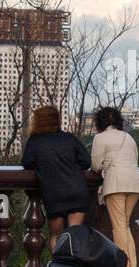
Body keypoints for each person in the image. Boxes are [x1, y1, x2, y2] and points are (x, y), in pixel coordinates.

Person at [90, 107, 139, 267]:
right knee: (124, 224)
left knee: (118, 227)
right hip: (134, 181)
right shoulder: (128, 137)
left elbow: (96, 165)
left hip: (115, 182)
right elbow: (135, 160)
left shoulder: (100, 138)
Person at [21, 105, 92, 250]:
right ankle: (75, 266)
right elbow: (86, 162)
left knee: (56, 234)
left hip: (54, 192)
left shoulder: (35, 141)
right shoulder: (69, 138)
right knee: (75, 233)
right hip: (76, 189)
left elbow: (27, 162)